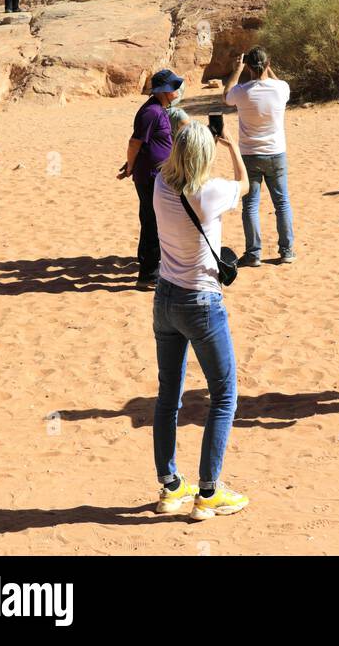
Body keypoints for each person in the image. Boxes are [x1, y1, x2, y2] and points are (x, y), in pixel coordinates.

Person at [152, 118, 250, 518]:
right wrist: (231, 147)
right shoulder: (210, 192)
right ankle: (208, 493)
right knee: (223, 395)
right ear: (205, 155)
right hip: (202, 303)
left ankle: (171, 487)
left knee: (168, 396)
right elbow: (244, 184)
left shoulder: (161, 184)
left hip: (165, 299)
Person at [223, 48, 295, 266]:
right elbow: (279, 83)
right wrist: (268, 69)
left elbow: (226, 96)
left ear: (247, 66)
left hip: (249, 154)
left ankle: (254, 254)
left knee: (251, 205)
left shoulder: (243, 91)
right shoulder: (281, 88)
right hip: (276, 153)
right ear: (268, 64)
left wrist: (236, 71)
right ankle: (287, 251)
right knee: (282, 203)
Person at [118, 69, 184, 289]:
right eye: (173, 86)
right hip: (150, 176)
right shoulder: (151, 112)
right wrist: (130, 167)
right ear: (164, 90)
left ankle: (153, 267)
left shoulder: (160, 109)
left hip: (159, 175)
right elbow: (134, 143)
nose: (177, 90)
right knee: (151, 222)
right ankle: (147, 274)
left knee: (156, 221)